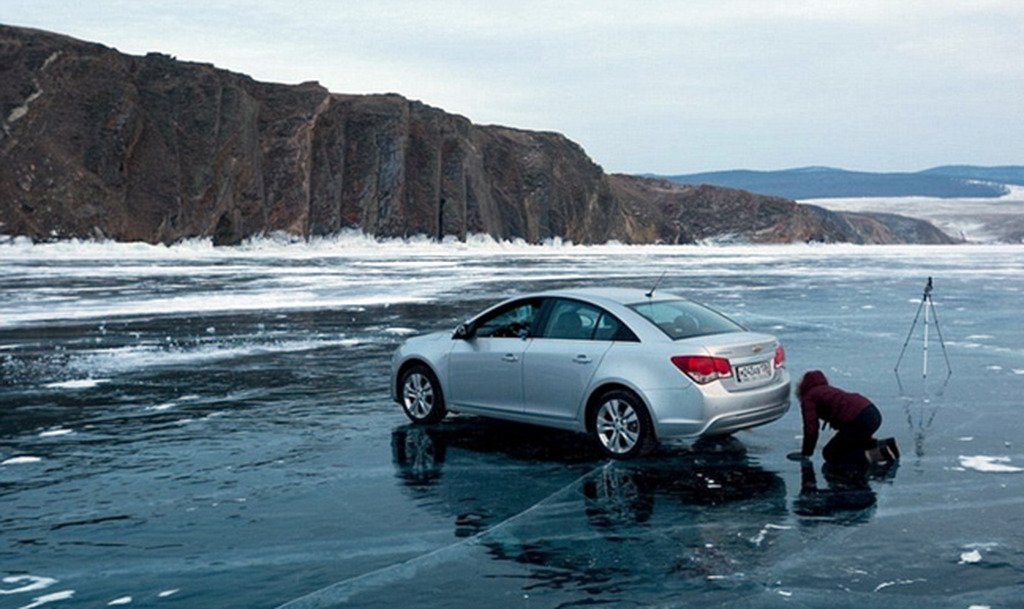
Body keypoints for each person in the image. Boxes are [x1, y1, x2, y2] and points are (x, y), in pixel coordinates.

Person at [787, 370, 898, 466]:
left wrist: (806, 453)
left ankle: (876, 455)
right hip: (872, 412)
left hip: (860, 418)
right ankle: (887, 445)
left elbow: (811, 427)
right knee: (851, 442)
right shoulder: (828, 391)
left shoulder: (809, 398)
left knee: (830, 452)